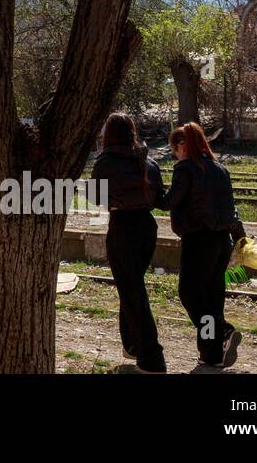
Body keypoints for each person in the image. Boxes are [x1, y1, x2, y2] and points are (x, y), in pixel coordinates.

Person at [91, 113, 168, 374]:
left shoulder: (105, 162)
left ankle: (152, 357)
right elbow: (159, 196)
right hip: (147, 227)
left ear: (108, 134)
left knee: (132, 293)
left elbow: (95, 199)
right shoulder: (147, 160)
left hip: (122, 227)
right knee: (132, 289)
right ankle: (133, 345)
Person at [167, 122, 245, 370]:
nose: (174, 155)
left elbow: (170, 201)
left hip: (198, 240)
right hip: (222, 241)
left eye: (173, 149)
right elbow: (230, 207)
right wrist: (239, 238)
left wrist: (150, 192)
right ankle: (211, 355)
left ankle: (222, 330)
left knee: (189, 294)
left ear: (182, 145)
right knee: (212, 298)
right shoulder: (220, 169)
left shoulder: (186, 169)